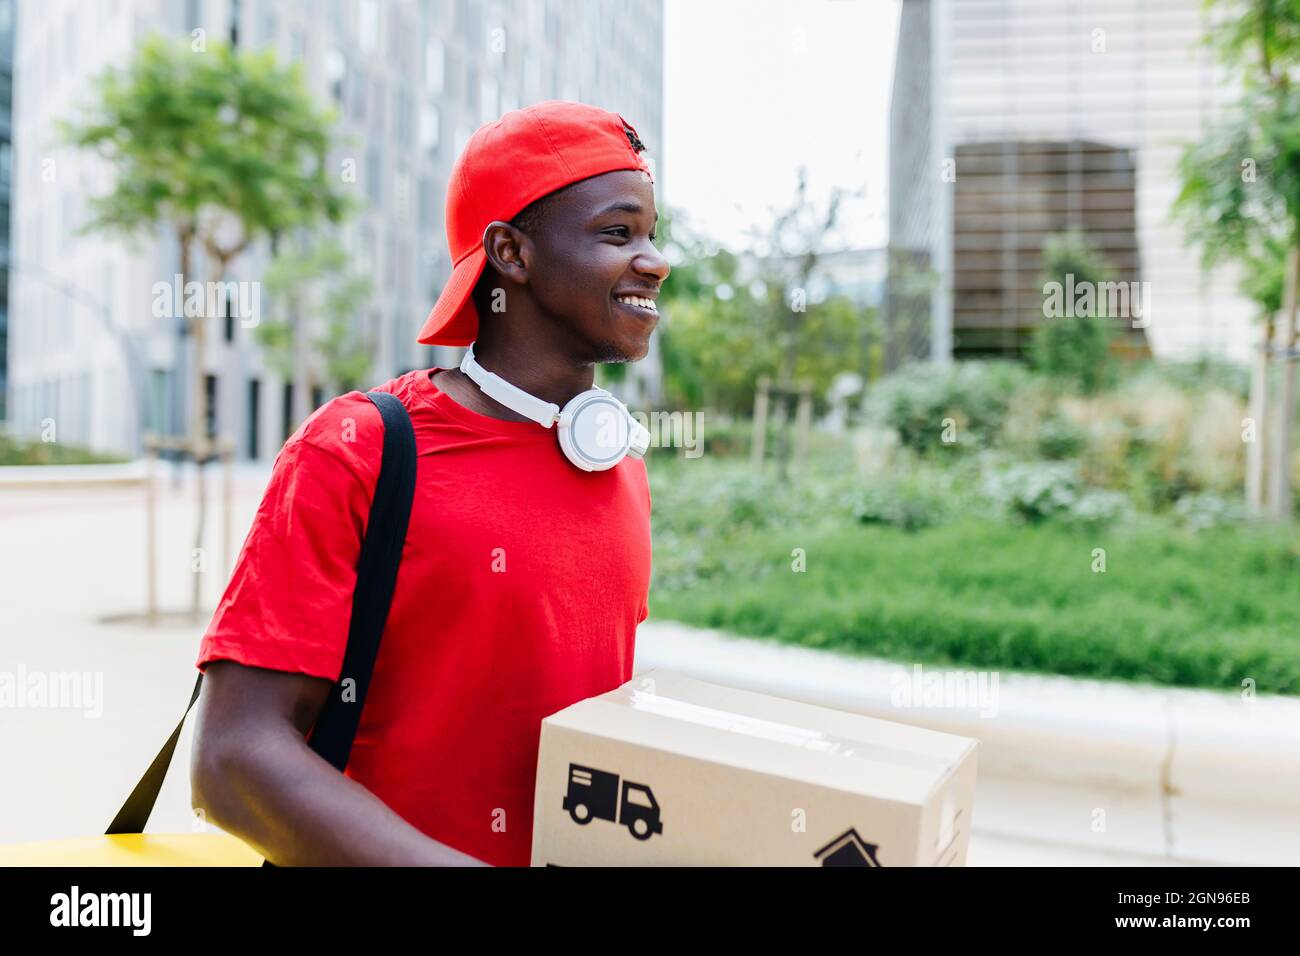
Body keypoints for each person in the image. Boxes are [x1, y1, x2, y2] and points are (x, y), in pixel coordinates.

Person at [189, 100, 670, 866]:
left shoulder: (623, 472)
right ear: (511, 253)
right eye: (618, 233)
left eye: (651, 234)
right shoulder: (359, 448)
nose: (654, 260)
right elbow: (232, 762)